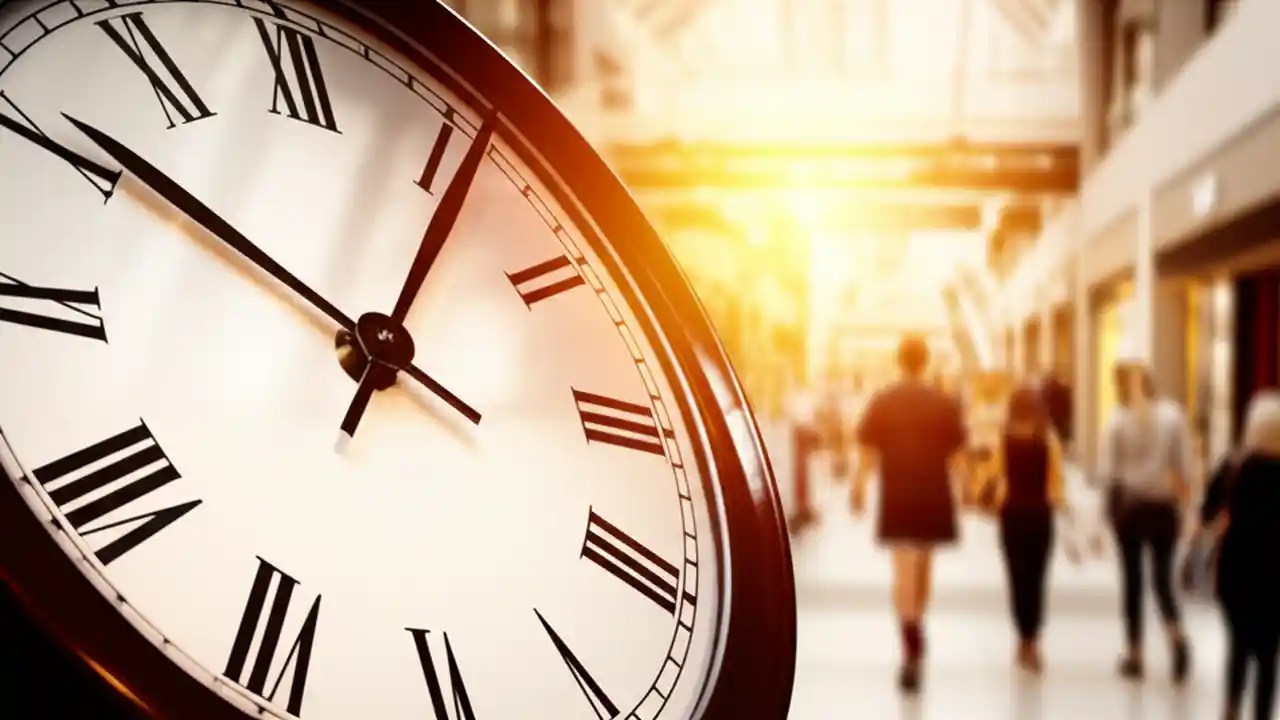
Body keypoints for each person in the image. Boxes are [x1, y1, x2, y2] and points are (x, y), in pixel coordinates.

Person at [851, 334, 968, 694]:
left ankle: (911, 641)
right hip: (933, 495)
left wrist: (858, 487)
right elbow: (958, 457)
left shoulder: (883, 401)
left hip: (899, 495)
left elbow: (868, 452)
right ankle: (917, 632)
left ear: (899, 362)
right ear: (925, 362)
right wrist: (963, 493)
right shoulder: (944, 403)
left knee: (904, 571)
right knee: (924, 567)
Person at [1099, 361, 1194, 683]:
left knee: (1133, 583)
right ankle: (1177, 637)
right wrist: (1188, 509)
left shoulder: (1116, 420)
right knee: (1163, 581)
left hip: (1131, 509)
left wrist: (1105, 517)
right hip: (1164, 509)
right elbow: (1184, 468)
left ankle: (1135, 655)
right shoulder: (1173, 415)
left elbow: (1109, 473)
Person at [1197, 390, 1280, 720]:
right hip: (1276, 573)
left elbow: (1206, 513)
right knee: (1269, 651)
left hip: (1236, 569)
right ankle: (1262, 713)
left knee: (1239, 643)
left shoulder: (1233, 467)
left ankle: (1231, 706)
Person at [977, 385, 1068, 672]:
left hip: (1012, 516)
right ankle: (1034, 641)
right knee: (1038, 578)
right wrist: (1059, 501)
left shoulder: (1003, 438)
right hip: (1040, 516)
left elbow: (992, 474)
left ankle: (1022, 639)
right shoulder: (1049, 438)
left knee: (1017, 578)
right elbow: (1057, 483)